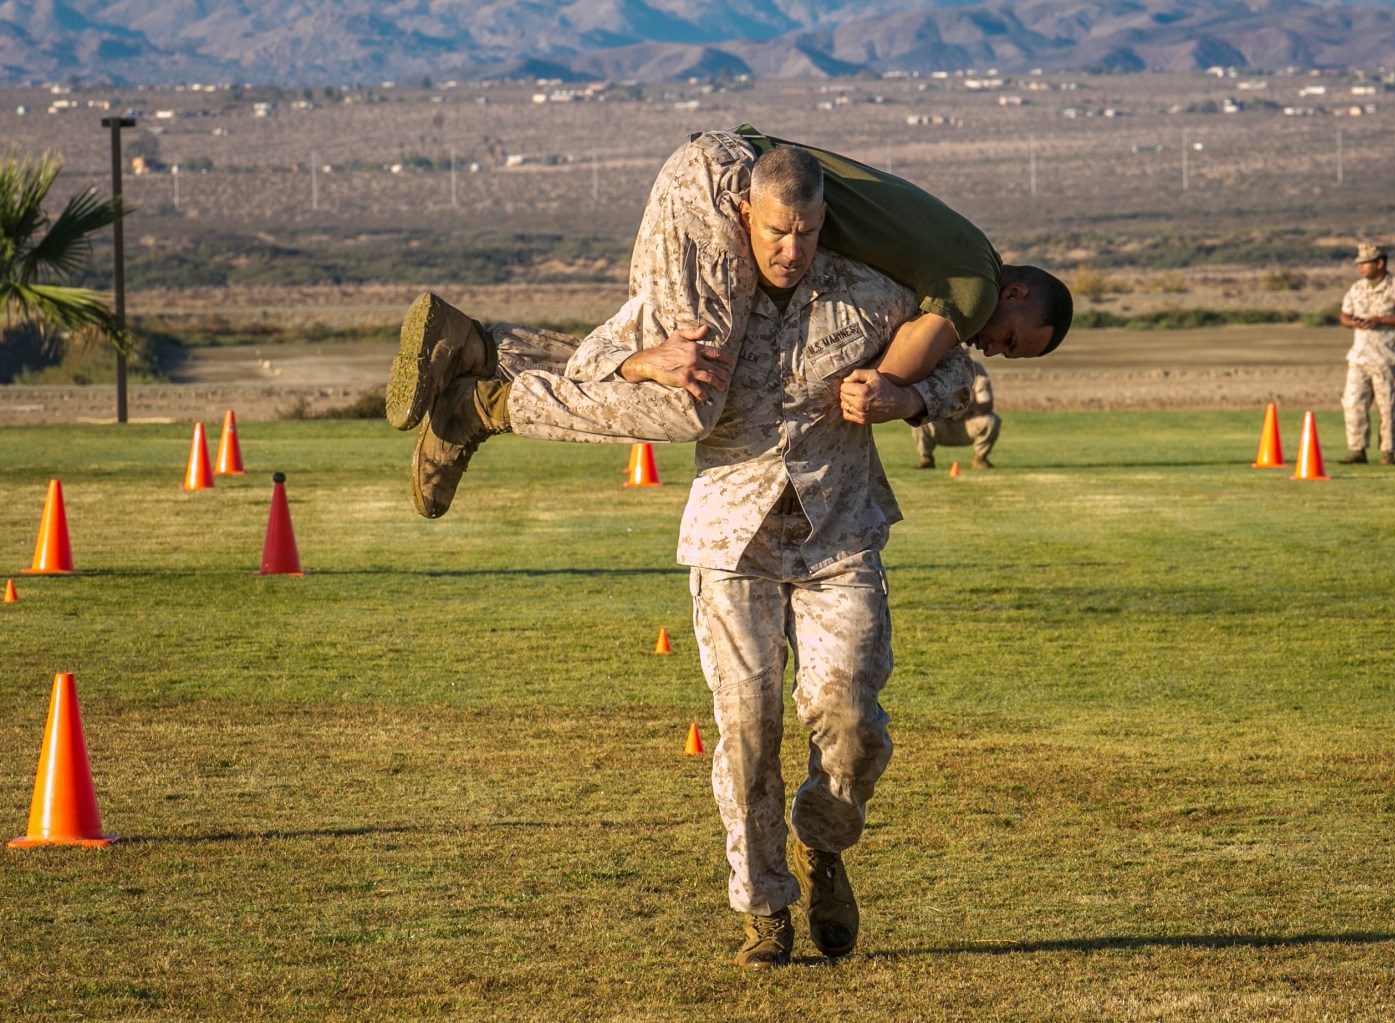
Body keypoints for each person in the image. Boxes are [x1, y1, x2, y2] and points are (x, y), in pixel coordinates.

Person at [399, 146, 972, 969]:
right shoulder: (699, 295)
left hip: (840, 537)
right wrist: (647, 360)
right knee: (745, 730)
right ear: (744, 214)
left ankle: (822, 844)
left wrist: (904, 396)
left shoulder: (870, 296)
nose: (791, 249)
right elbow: (590, 363)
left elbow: (960, 373)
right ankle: (764, 909)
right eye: (776, 232)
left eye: (808, 232)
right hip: (731, 544)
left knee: (851, 724)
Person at [384, 125, 1072, 474]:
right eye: (1012, 339)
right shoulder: (976, 287)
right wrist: (892, 390)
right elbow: (892, 370)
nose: (994, 348)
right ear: (1015, 292)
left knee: (660, 355)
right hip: (725, 188)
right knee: (691, 395)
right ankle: (487, 407)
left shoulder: (961, 251)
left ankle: (484, 347)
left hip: (723, 172)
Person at [1338, 243, 1395, 465]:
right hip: (1359, 357)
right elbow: (1344, 315)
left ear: (1380, 263)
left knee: (1390, 406)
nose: (1361, 268)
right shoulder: (1357, 288)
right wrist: (1353, 322)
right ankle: (1357, 450)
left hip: (1387, 359)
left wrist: (1380, 321)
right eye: (1359, 264)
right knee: (1353, 404)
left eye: (1365, 263)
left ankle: (1388, 452)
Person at [911, 359, 1000, 469]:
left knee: (991, 420)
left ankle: (980, 459)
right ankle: (926, 459)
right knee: (919, 419)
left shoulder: (976, 371)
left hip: (967, 424)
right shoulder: (933, 368)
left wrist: (966, 405)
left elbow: (987, 405)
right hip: (941, 423)